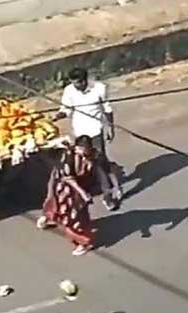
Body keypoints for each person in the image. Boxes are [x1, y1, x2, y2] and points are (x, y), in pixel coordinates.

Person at [53, 67, 123, 210]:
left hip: (95, 130)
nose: (76, 86)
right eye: (74, 83)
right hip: (80, 132)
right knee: (84, 163)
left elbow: (107, 109)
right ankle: (99, 186)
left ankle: (108, 195)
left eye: (79, 83)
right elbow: (66, 110)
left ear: (85, 80)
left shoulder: (99, 88)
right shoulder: (69, 91)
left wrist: (110, 127)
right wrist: (56, 116)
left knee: (99, 162)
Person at [36, 136, 98, 256]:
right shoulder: (68, 157)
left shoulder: (94, 156)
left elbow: (101, 170)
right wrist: (82, 192)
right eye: (81, 149)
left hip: (82, 186)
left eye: (86, 149)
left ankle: (83, 242)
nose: (84, 151)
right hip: (65, 185)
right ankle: (49, 217)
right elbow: (68, 178)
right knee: (61, 207)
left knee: (77, 215)